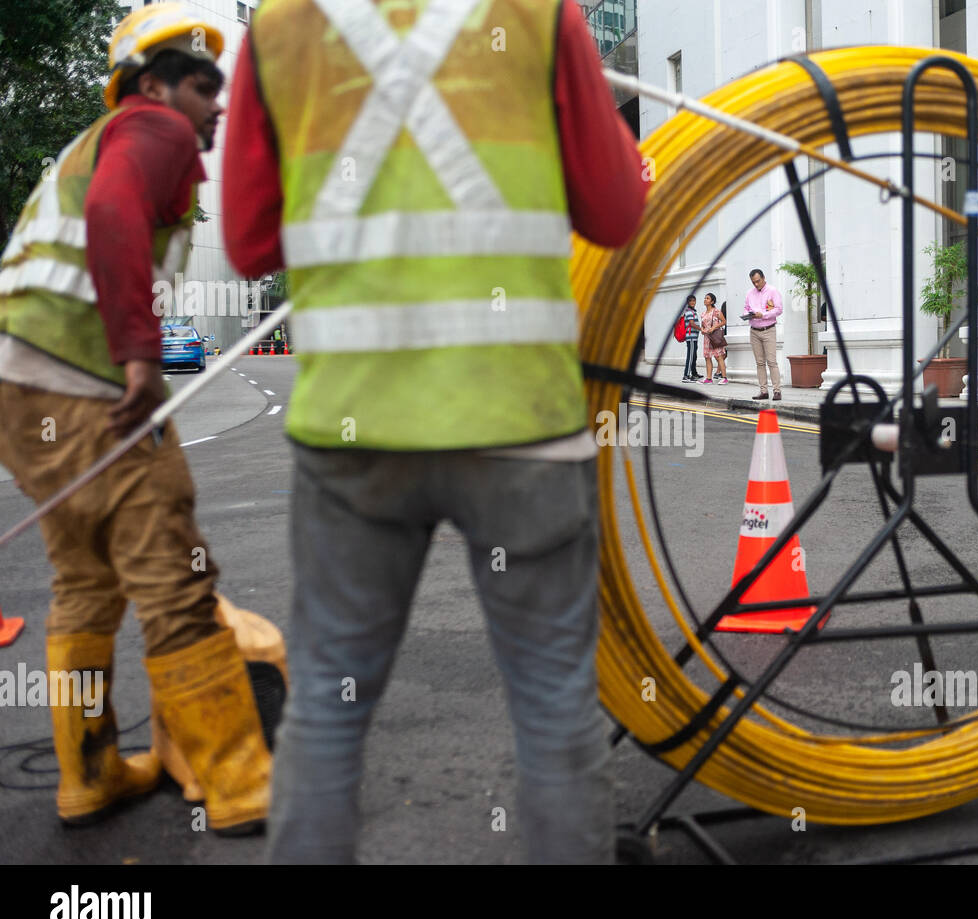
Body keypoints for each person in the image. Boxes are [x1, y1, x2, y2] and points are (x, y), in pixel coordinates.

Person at [222, 0, 648, 863]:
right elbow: (614, 212)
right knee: (556, 711)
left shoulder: (279, 26)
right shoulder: (541, 15)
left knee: (329, 714)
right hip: (520, 424)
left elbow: (249, 239)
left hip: (356, 433)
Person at [0, 3, 271, 833]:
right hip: (90, 385)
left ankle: (88, 775)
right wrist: (138, 356)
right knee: (174, 580)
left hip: (20, 383)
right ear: (152, 84)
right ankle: (239, 785)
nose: (217, 103)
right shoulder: (152, 129)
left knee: (84, 581)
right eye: (203, 85)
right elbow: (115, 213)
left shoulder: (100, 143)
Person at [743, 268, 784, 400]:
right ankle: (763, 391)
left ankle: (777, 391)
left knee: (772, 362)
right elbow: (746, 308)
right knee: (759, 363)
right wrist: (746, 315)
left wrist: (764, 315)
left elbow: (779, 309)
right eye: (753, 282)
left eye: (758, 281)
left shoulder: (772, 291)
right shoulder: (750, 293)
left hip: (768, 330)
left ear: (763, 278)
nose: (756, 284)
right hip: (754, 331)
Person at [700, 292, 727, 383]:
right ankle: (708, 378)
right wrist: (702, 330)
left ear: (712, 301)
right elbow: (702, 325)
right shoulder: (703, 314)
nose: (705, 299)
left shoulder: (716, 311)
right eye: (705, 298)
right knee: (707, 357)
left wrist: (714, 327)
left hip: (715, 337)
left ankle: (724, 378)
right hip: (707, 338)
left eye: (707, 298)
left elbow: (724, 321)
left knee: (719, 357)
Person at [681, 294, 701, 381]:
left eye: (694, 300)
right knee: (690, 356)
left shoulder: (693, 311)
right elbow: (692, 324)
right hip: (691, 338)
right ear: (688, 302)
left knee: (694, 356)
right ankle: (686, 376)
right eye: (691, 301)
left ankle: (694, 374)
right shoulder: (689, 311)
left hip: (694, 337)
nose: (693, 302)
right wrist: (701, 329)